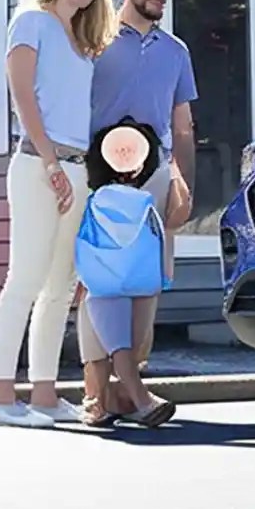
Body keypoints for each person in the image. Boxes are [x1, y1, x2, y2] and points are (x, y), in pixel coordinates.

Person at [0, 0, 117, 428]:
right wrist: (50, 164)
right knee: (26, 278)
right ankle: (2, 396)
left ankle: (43, 394)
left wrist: (76, 171)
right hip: (38, 167)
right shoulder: (32, 21)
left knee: (60, 287)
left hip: (77, 168)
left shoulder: (82, 43)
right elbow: (22, 96)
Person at [75, 0, 197, 425]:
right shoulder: (94, 41)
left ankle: (129, 388)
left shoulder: (176, 51)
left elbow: (183, 125)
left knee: (146, 283)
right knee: (99, 281)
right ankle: (95, 394)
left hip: (156, 177)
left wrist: (183, 184)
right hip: (100, 180)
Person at [75, 118, 176, 427]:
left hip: (102, 278)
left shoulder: (92, 199)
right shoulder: (144, 201)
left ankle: (103, 403)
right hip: (137, 277)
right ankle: (140, 399)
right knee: (124, 344)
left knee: (114, 341)